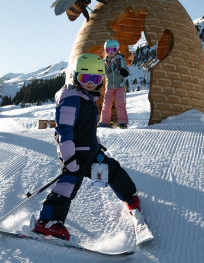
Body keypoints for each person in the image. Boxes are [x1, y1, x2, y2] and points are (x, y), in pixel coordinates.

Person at [33, 53, 142, 241]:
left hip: (90, 152)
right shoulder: (71, 98)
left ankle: (130, 197)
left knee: (112, 170)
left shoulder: (84, 96)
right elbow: (64, 131)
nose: (91, 83)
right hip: (74, 156)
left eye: (96, 78)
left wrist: (95, 143)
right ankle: (47, 222)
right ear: (75, 76)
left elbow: (84, 128)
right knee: (66, 187)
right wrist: (68, 158)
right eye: (85, 78)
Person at [99, 39, 130, 129]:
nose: (111, 52)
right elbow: (102, 73)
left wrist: (125, 72)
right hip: (109, 86)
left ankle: (122, 122)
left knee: (120, 104)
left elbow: (126, 70)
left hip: (120, 85)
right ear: (105, 50)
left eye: (113, 49)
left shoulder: (120, 59)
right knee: (106, 104)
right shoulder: (104, 61)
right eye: (108, 50)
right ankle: (104, 122)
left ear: (117, 49)